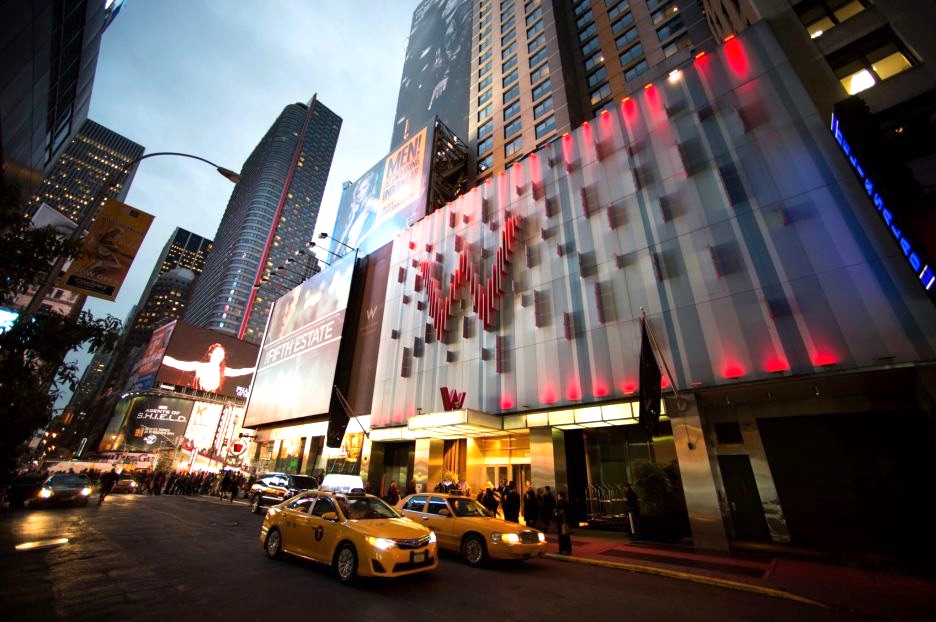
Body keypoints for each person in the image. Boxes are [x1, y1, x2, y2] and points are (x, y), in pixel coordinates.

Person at [161, 343, 255, 394]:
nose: (219, 355)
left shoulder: (223, 371)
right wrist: (159, 356)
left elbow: (239, 372)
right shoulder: (200, 366)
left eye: (221, 354)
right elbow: (176, 363)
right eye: (217, 353)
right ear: (210, 354)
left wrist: (255, 369)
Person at [555, 491, 573, 555]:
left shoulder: (560, 503)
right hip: (565, 522)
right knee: (566, 536)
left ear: (560, 496)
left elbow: (557, 512)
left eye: (558, 496)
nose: (557, 497)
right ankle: (568, 550)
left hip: (561, 522)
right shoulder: (567, 503)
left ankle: (562, 549)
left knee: (561, 536)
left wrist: (556, 513)